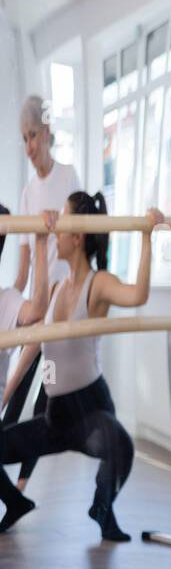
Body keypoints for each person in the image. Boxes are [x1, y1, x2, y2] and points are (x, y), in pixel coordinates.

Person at [1, 193, 159, 541]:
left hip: (91, 408)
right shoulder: (56, 288)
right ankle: (15, 503)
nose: (57, 233)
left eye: (63, 225)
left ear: (78, 235)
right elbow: (32, 348)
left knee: (122, 449)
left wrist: (147, 236)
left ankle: (102, 510)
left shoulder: (98, 283)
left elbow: (138, 296)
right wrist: (6, 395)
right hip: (57, 416)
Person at [5, 95, 82, 490]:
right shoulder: (25, 193)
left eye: (33, 135)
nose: (29, 147)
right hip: (37, 308)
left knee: (42, 400)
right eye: (23, 138)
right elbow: (21, 272)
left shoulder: (68, 178)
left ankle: (20, 488)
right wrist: (9, 309)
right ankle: (13, 496)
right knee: (13, 393)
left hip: (61, 306)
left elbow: (79, 244)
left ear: (48, 134)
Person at [0, 203, 53, 530]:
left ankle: (16, 501)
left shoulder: (5, 300)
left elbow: (38, 310)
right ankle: (16, 501)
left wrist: (41, 242)